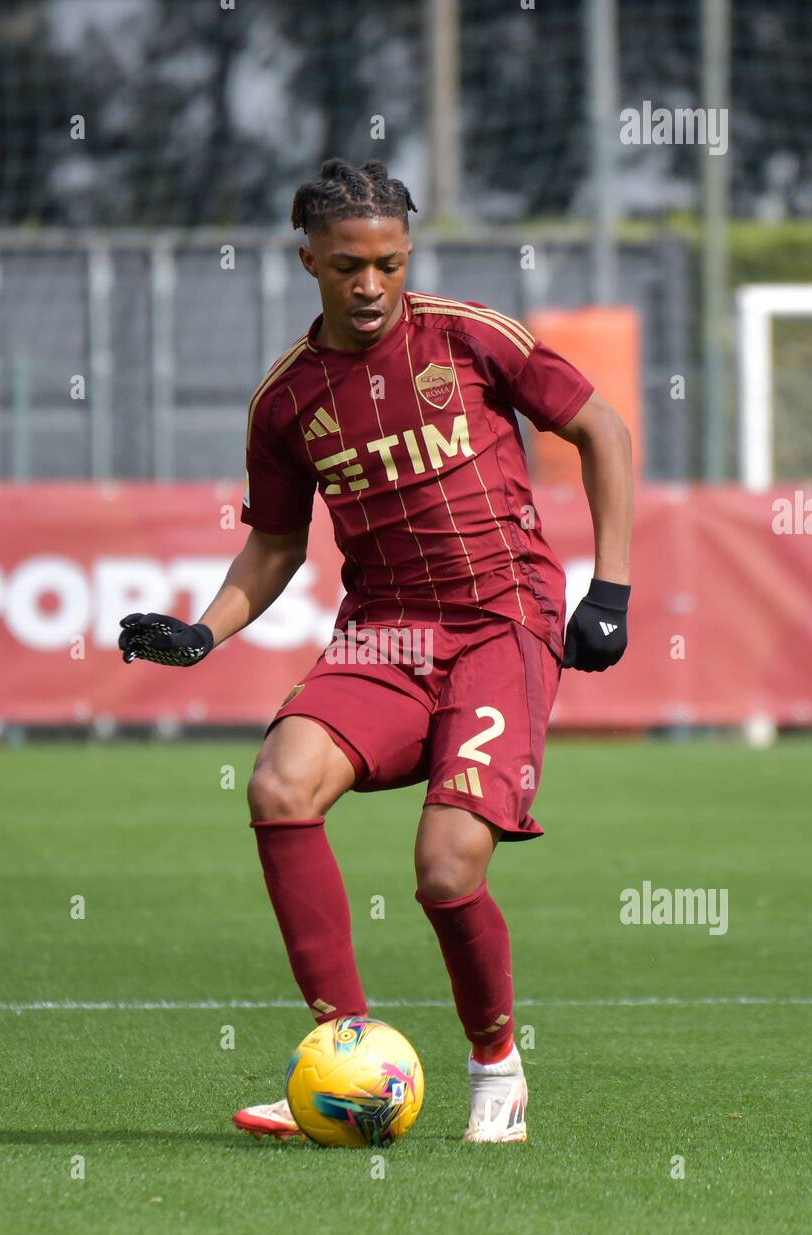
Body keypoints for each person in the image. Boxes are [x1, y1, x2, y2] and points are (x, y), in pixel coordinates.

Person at [119, 157, 633, 1143]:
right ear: (306, 256)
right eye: (348, 265)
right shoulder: (286, 401)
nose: (369, 286)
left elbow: (598, 428)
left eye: (388, 265)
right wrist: (202, 630)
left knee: (443, 868)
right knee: (278, 782)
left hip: (502, 619)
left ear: (408, 258)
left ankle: (496, 1066)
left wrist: (608, 589)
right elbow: (275, 543)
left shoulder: (470, 336)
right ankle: (342, 1057)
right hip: (385, 631)